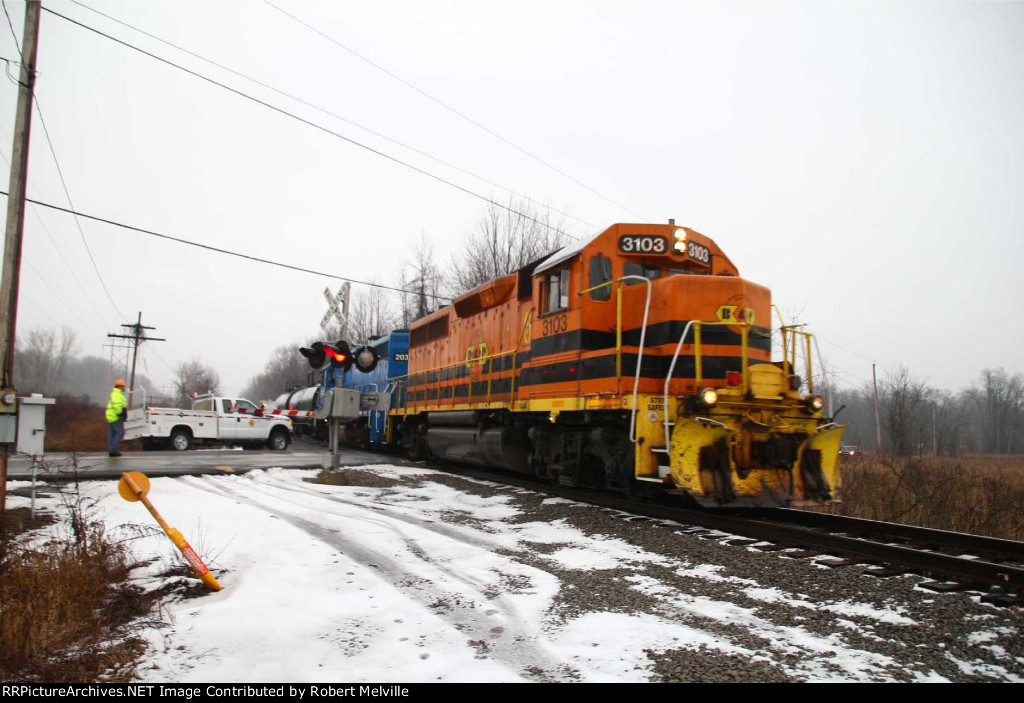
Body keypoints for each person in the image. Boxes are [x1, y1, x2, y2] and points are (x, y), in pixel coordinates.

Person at [106, 379, 128, 457]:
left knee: (112, 434)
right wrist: (120, 415)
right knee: (120, 433)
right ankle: (113, 449)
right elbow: (117, 406)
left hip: (111, 416)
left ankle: (111, 450)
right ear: (120, 386)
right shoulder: (117, 395)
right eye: (123, 386)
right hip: (115, 416)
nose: (124, 387)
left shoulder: (115, 394)